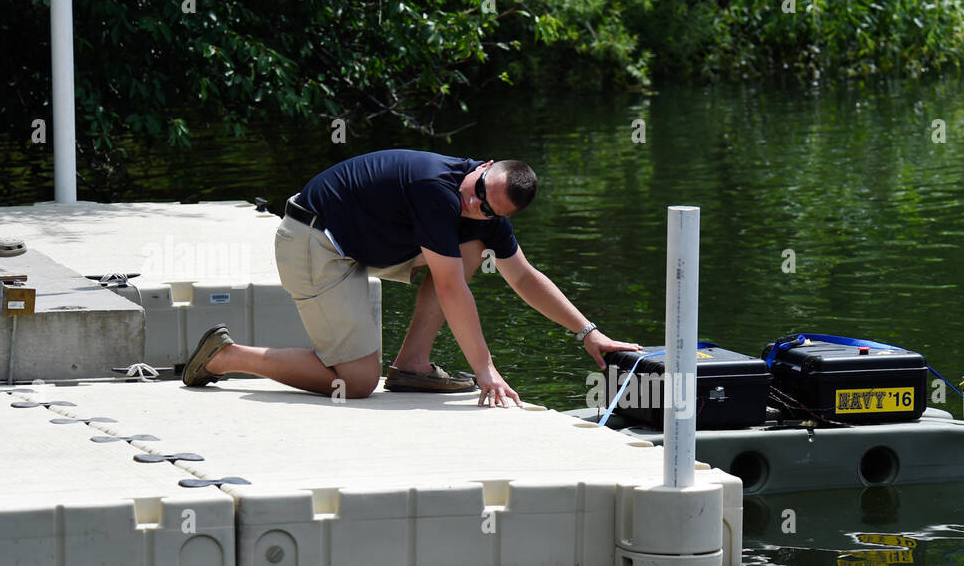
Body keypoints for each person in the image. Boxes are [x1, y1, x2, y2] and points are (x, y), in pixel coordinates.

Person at [182, 149, 639, 406]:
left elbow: (522, 276)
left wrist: (588, 333)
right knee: (357, 384)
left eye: (489, 209)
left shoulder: (481, 213)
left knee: (474, 246)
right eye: (479, 194)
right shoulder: (434, 188)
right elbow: (449, 286)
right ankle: (226, 355)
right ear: (483, 167)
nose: (476, 206)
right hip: (313, 241)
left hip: (362, 245)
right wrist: (486, 372)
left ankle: (412, 368)